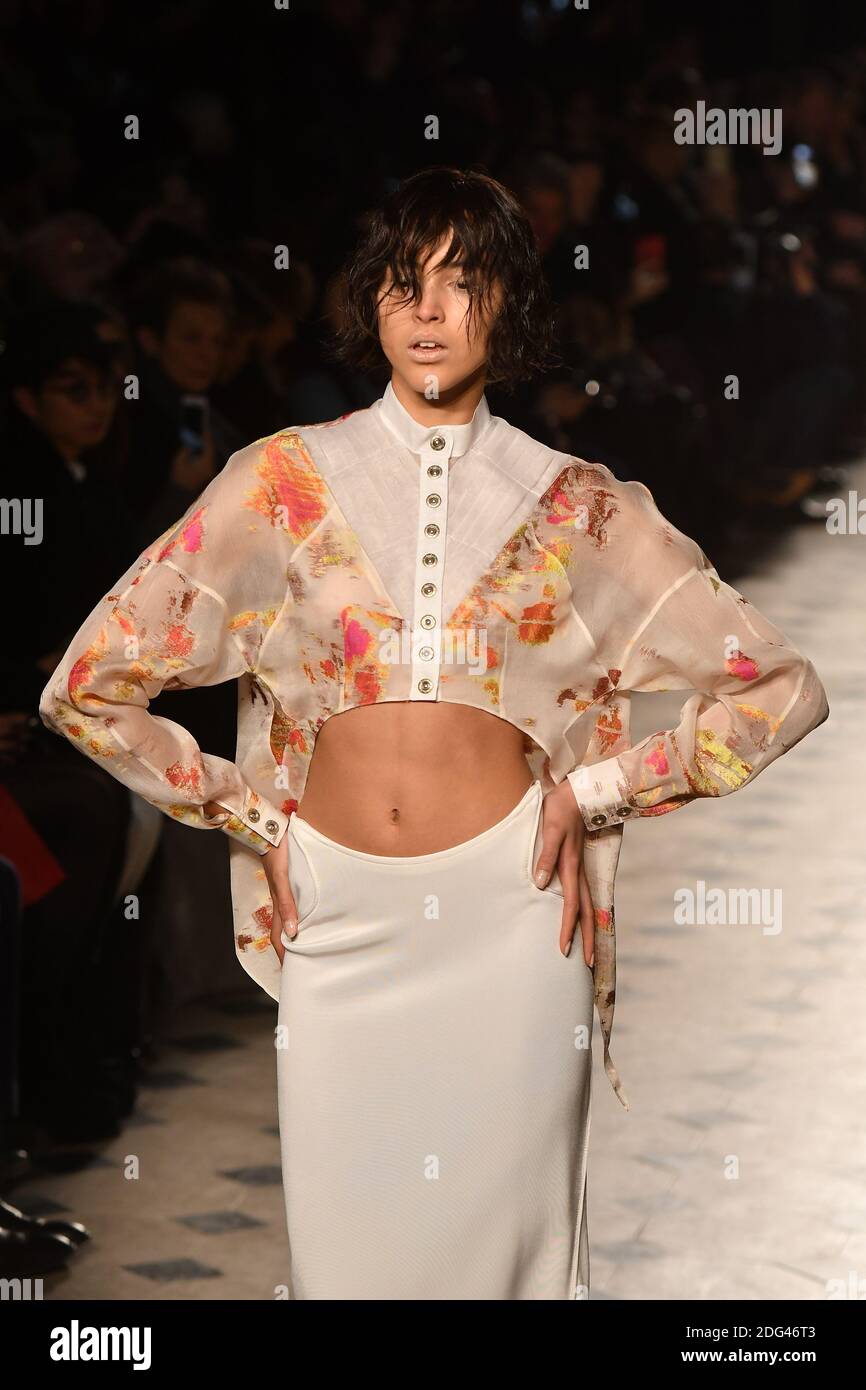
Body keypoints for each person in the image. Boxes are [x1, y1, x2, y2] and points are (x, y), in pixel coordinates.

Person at [37, 167, 830, 1300]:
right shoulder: (277, 483)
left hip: (511, 923)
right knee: (349, 1272)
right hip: (338, 921)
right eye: (402, 282)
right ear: (369, 303)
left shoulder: (579, 505)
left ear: (505, 302)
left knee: (506, 1272)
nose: (426, 310)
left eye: (460, 283)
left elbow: (780, 687)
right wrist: (252, 813)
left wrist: (593, 791)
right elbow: (89, 682)